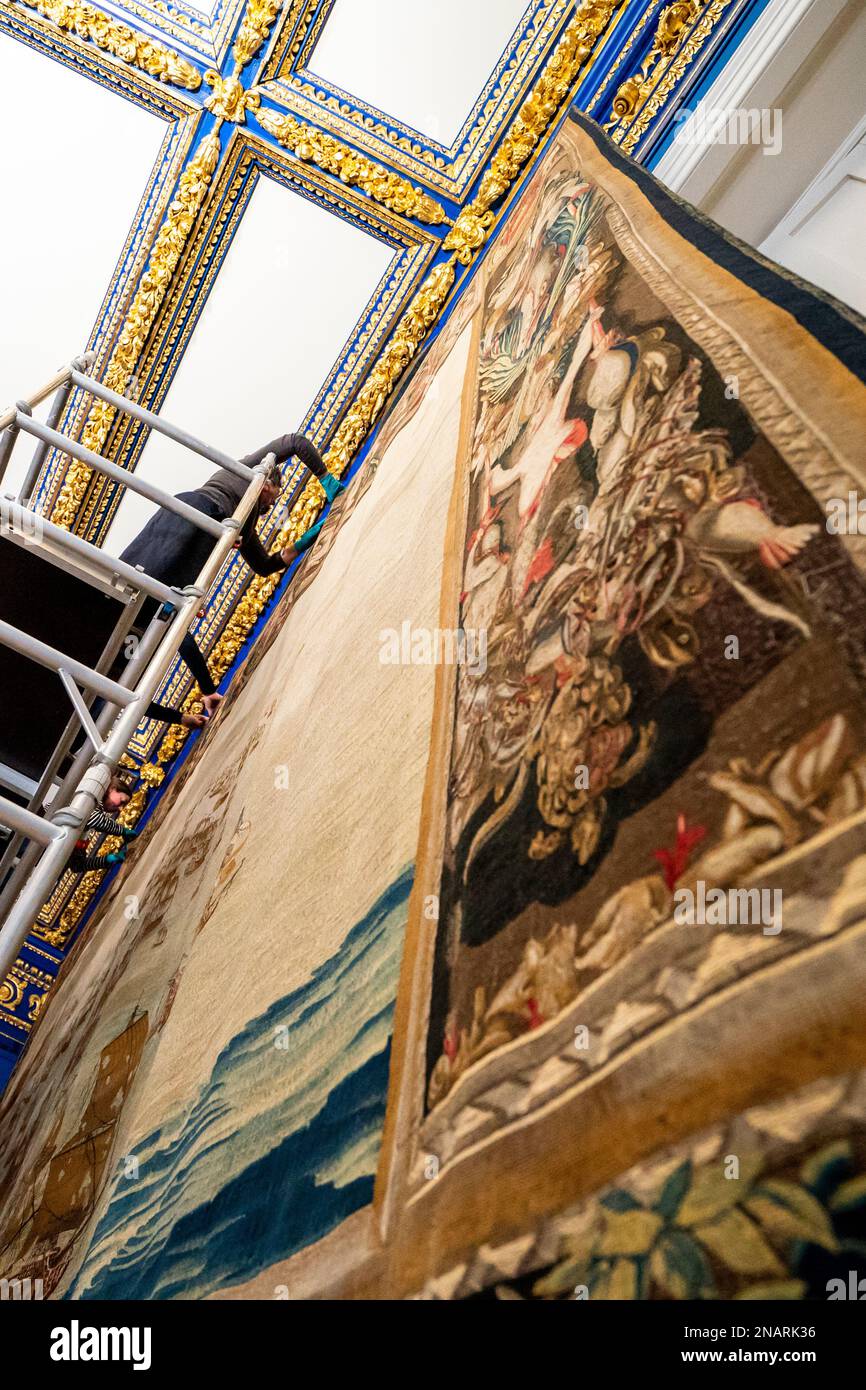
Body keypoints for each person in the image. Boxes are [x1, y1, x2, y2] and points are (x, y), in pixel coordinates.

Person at [119, 433, 342, 728]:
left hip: (194, 534)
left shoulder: (244, 523)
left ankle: (204, 688)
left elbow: (264, 565)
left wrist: (306, 539)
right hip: (197, 514)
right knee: (160, 602)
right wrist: (325, 478)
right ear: (268, 485)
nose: (271, 506)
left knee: (163, 613)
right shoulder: (246, 471)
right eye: (275, 497)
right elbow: (294, 442)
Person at [69, 772, 138, 873]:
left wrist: (107, 860)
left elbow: (77, 866)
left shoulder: (82, 831)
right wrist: (122, 831)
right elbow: (95, 819)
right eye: (122, 801)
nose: (120, 809)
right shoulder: (90, 799)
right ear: (112, 789)